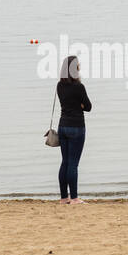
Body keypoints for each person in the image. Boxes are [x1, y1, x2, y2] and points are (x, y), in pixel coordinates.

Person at [56, 55, 91, 202]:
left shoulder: (59, 85)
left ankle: (64, 197)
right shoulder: (79, 87)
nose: (80, 67)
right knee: (73, 164)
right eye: (78, 65)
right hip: (76, 127)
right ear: (74, 69)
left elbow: (65, 103)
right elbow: (88, 107)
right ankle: (75, 198)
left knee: (65, 162)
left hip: (62, 126)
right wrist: (80, 105)